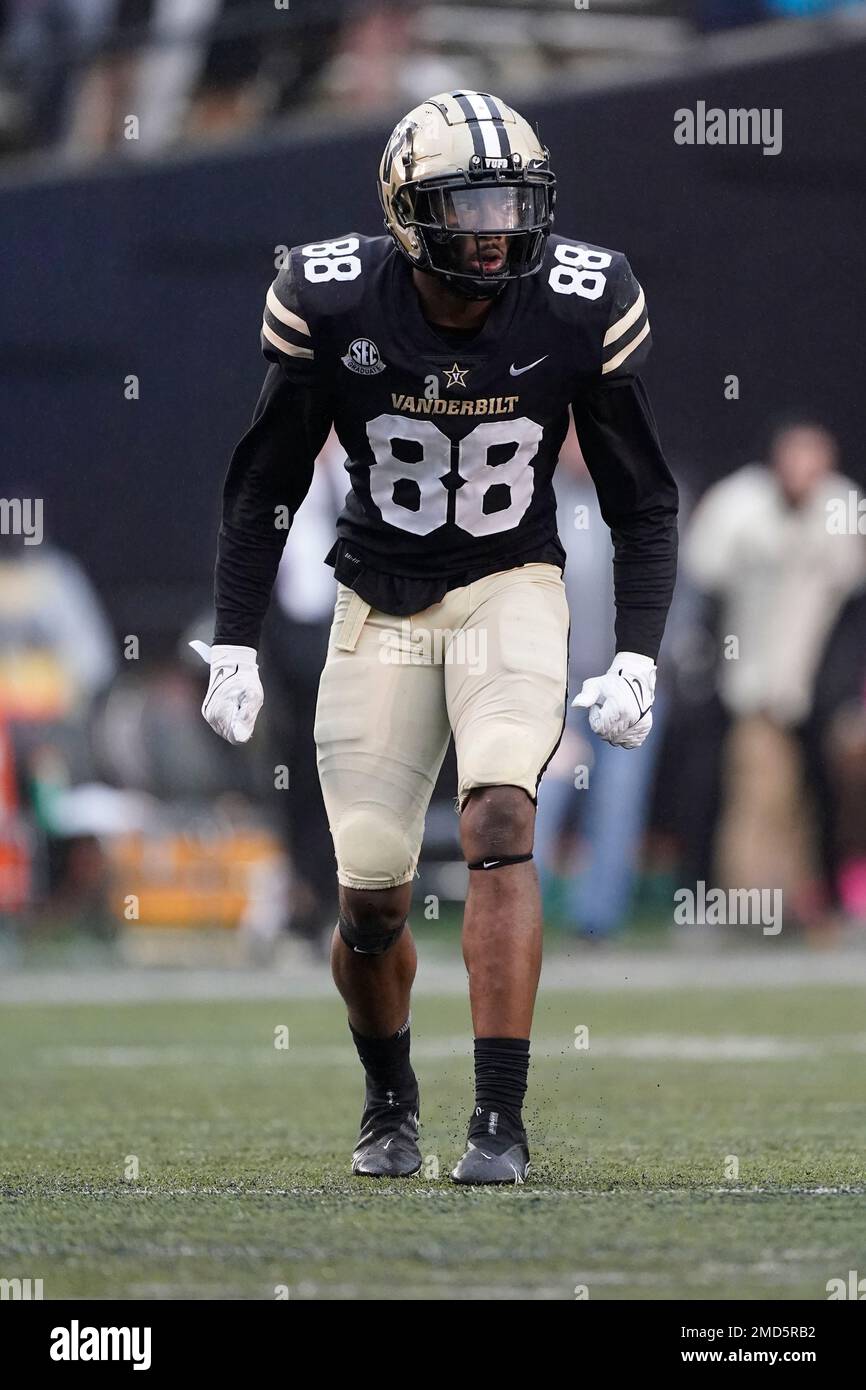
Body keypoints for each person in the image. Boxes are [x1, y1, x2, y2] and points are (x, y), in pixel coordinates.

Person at [195, 91, 678, 1183]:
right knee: (368, 893)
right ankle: (389, 1095)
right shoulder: (332, 297)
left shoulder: (575, 301)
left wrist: (636, 651)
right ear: (409, 214)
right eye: (469, 204)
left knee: (503, 804)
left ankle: (498, 1120)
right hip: (378, 597)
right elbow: (263, 482)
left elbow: (639, 499)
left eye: (513, 200)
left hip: (511, 582)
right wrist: (233, 637)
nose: (496, 226)